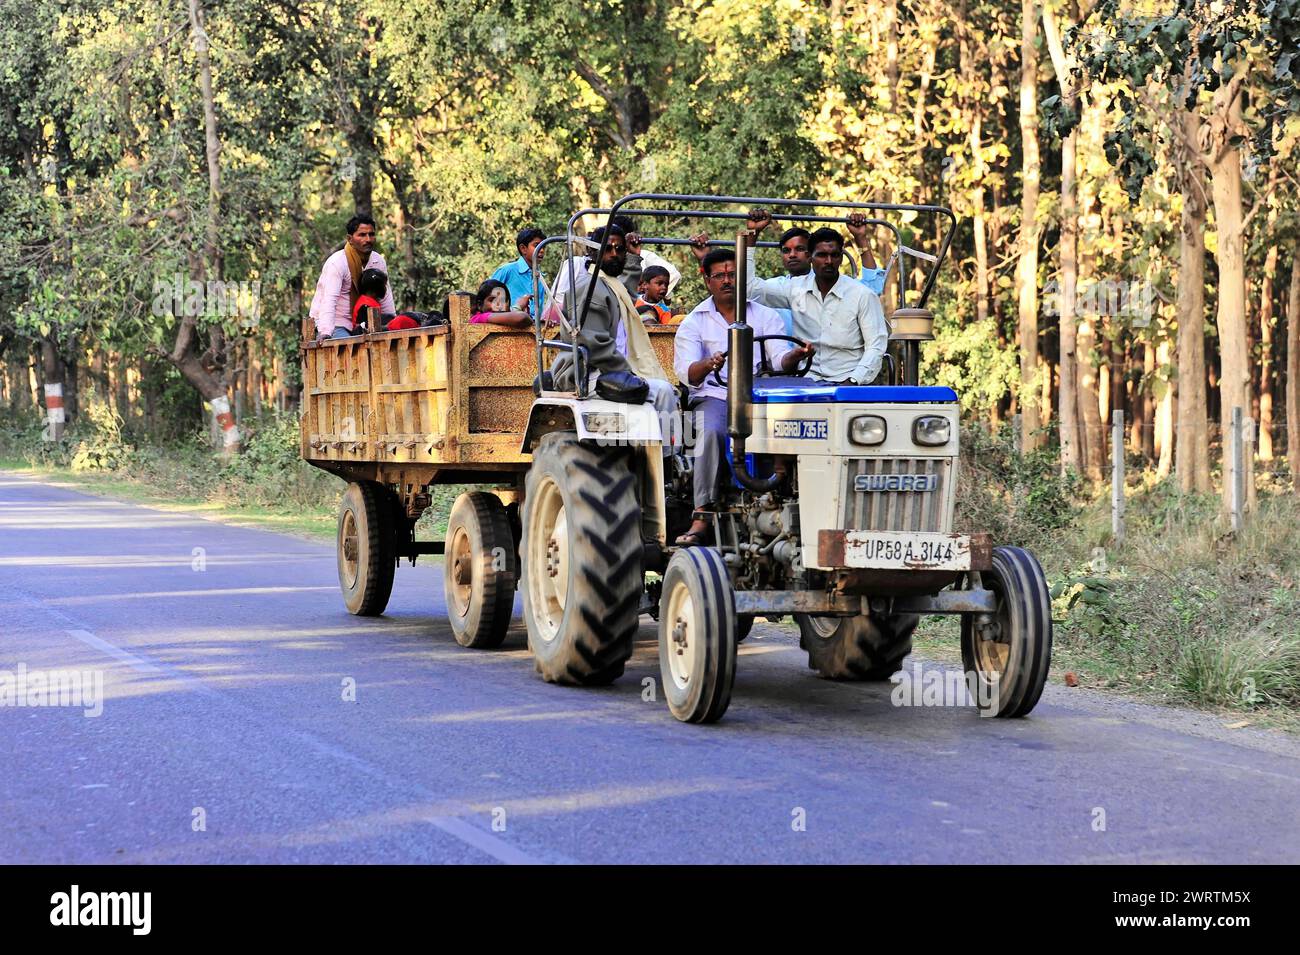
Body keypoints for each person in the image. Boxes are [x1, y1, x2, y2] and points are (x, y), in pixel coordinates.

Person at [672, 249, 815, 546]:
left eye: (732, 274)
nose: (727, 281)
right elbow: (688, 374)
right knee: (710, 431)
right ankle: (702, 513)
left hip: (758, 397)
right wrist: (710, 364)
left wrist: (796, 356)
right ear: (707, 280)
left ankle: (797, 501)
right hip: (715, 395)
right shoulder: (694, 322)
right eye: (720, 276)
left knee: (803, 425)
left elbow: (779, 361)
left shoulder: (765, 316)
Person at [547, 225, 677, 427]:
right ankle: (669, 457)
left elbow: (626, 292)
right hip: (591, 374)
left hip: (610, 370)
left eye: (619, 249)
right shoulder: (590, 289)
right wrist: (628, 373)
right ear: (592, 251)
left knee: (668, 390)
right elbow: (593, 344)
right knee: (664, 392)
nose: (614, 254)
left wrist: (633, 257)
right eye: (607, 249)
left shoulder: (608, 284)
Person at [743, 209, 890, 386]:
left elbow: (876, 346)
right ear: (810, 257)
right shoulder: (794, 288)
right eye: (821, 255)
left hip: (848, 383)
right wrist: (752, 235)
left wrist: (853, 381)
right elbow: (749, 289)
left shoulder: (861, 295)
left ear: (841, 258)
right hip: (806, 382)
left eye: (834, 255)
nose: (828, 261)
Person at [309, 214, 398, 340]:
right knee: (350, 349)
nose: (368, 239)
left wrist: (392, 322)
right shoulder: (338, 262)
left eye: (371, 234)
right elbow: (329, 300)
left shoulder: (378, 261)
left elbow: (385, 295)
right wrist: (325, 332)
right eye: (362, 235)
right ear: (350, 239)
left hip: (363, 322)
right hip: (336, 323)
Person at [490, 226, 548, 319]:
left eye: (543, 246)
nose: (542, 250)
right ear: (523, 248)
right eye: (537, 245)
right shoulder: (507, 271)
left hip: (533, 329)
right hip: (507, 327)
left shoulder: (541, 277)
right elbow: (488, 299)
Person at [350, 268, 388, 332]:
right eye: (384, 285)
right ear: (377, 287)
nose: (385, 288)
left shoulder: (368, 301)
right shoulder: (365, 305)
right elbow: (364, 328)